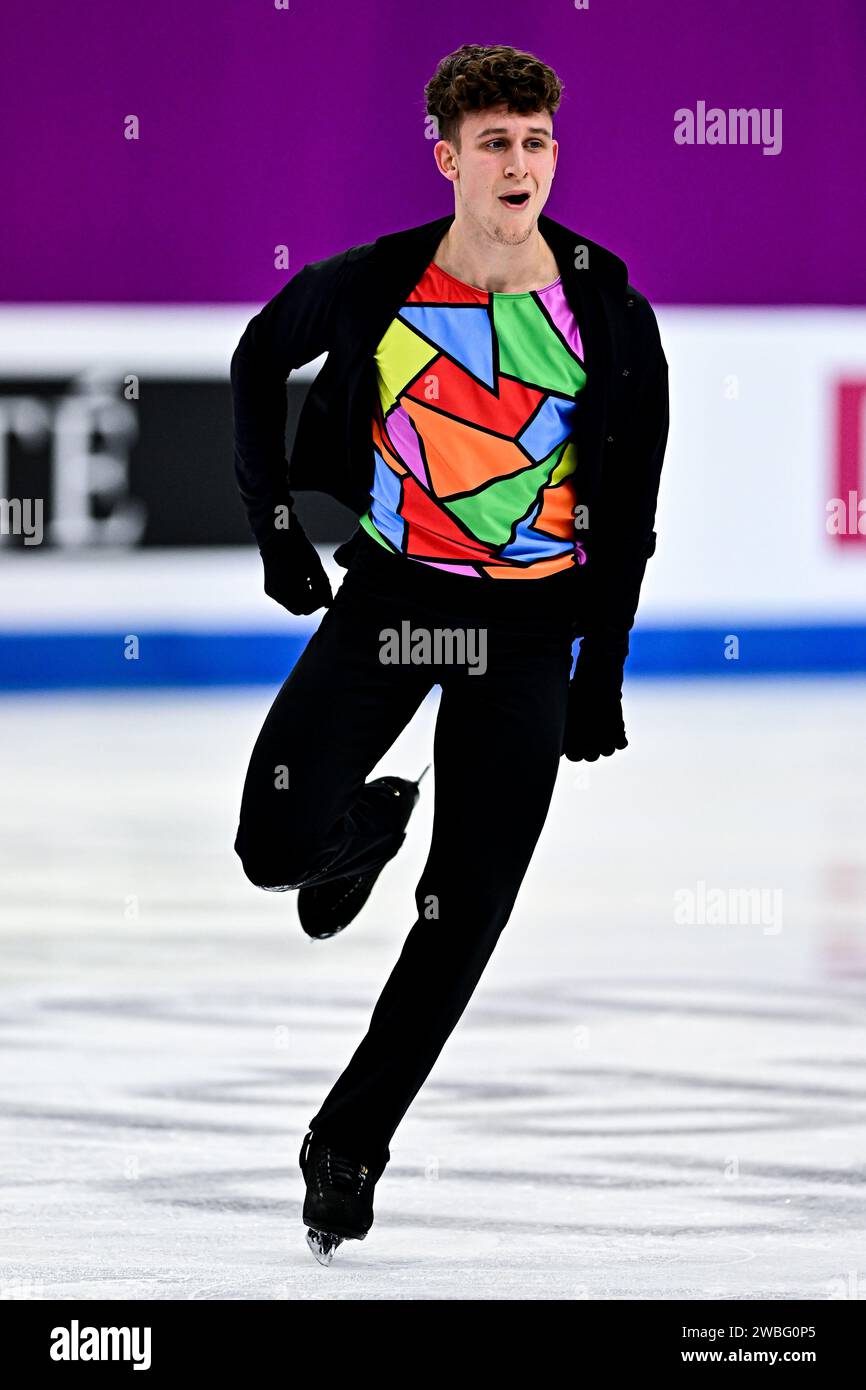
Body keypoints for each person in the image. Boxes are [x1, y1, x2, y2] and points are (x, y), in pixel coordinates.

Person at [230, 43, 669, 1264]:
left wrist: (601, 671)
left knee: (462, 907)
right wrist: (276, 526)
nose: (517, 163)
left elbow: (626, 514)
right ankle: (361, 829)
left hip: (527, 635)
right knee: (272, 845)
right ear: (447, 157)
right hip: (392, 603)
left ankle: (349, 1143)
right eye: (493, 143)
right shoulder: (379, 280)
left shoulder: (605, 309)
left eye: (534, 142)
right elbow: (259, 352)